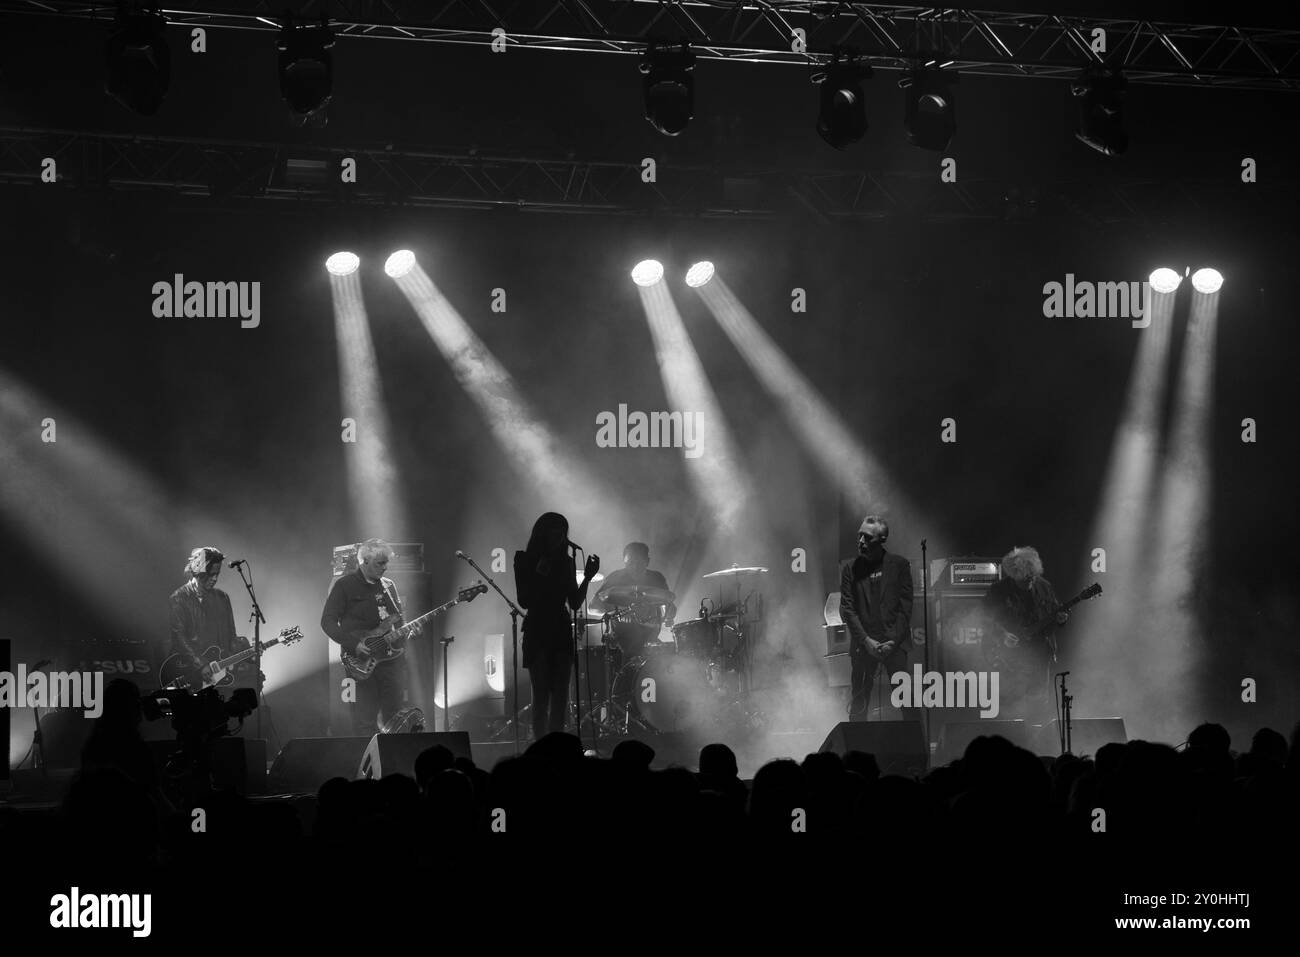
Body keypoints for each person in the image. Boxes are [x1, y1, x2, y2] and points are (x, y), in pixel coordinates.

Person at [513, 513, 599, 740]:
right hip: (538, 628)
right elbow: (525, 600)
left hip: (561, 629)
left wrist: (587, 578)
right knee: (540, 695)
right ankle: (540, 747)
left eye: (562, 531)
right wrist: (543, 568)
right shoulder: (524, 559)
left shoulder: (567, 561)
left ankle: (556, 747)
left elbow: (574, 603)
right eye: (555, 530)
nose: (560, 535)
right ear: (543, 532)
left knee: (561, 695)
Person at [321, 538, 417, 737]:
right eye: (380, 563)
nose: (385, 567)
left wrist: (407, 630)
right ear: (364, 561)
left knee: (395, 719)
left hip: (392, 661)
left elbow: (398, 619)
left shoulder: (389, 586)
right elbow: (327, 622)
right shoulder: (345, 585)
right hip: (362, 662)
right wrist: (353, 644)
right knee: (365, 721)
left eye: (386, 562)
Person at [981, 546, 1069, 722]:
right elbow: (985, 618)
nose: (1030, 581)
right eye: (1025, 579)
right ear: (1014, 576)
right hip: (1011, 657)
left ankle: (1037, 733)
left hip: (1040, 652)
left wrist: (1061, 620)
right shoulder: (999, 591)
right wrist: (1002, 634)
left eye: (1032, 577)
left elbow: (1053, 615)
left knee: (1039, 697)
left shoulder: (1044, 587)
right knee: (1013, 698)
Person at [839, 515, 913, 719]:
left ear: (882, 539)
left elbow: (905, 607)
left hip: (894, 643)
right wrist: (866, 641)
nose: (861, 541)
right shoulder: (850, 569)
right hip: (864, 645)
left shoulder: (899, 565)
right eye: (859, 536)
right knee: (859, 704)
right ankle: (854, 749)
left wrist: (892, 641)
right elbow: (848, 609)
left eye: (867, 537)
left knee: (907, 702)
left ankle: (917, 746)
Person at [168, 546, 247, 680]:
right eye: (211, 574)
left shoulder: (222, 598)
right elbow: (179, 637)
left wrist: (246, 652)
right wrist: (201, 664)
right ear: (199, 571)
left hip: (219, 671)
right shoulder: (179, 598)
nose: (215, 579)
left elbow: (231, 635)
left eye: (218, 574)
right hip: (189, 671)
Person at [593, 542, 677, 658]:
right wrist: (620, 611)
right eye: (630, 563)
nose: (635, 567)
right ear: (624, 561)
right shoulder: (615, 578)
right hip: (621, 644)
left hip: (650, 642)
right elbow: (593, 607)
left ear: (647, 561)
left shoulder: (657, 578)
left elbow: (669, 606)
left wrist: (669, 613)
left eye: (639, 563)